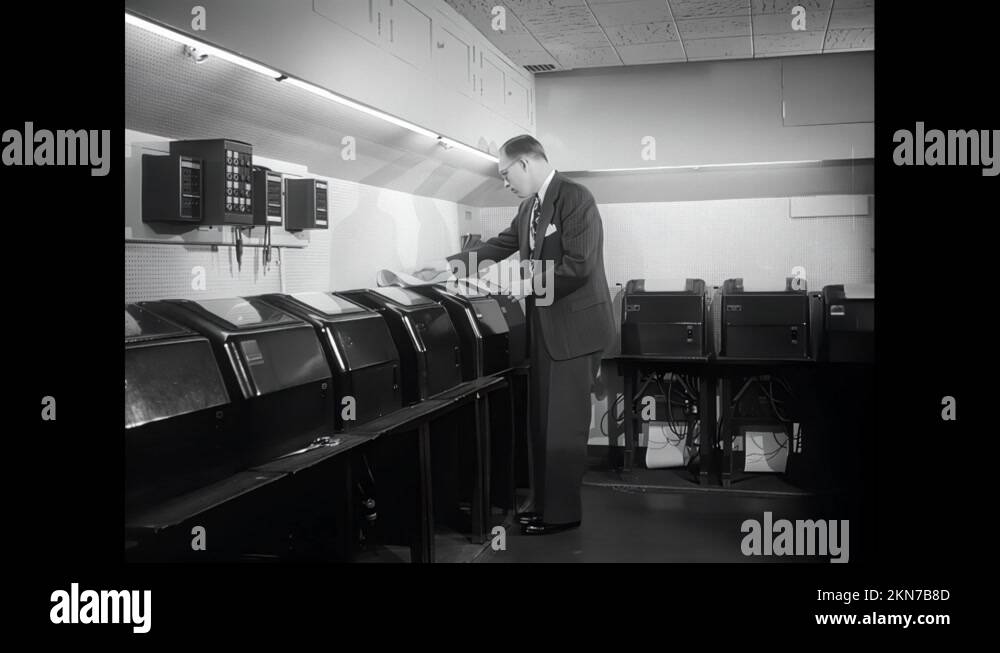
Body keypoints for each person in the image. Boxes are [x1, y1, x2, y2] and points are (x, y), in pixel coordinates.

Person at [415, 135, 615, 534]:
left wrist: (523, 286)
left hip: (575, 332)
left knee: (564, 425)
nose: (505, 183)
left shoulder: (576, 198)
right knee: (541, 421)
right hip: (545, 328)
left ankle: (562, 514)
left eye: (506, 174)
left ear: (526, 163)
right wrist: (445, 267)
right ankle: (543, 504)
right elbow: (499, 245)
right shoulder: (529, 209)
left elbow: (579, 266)